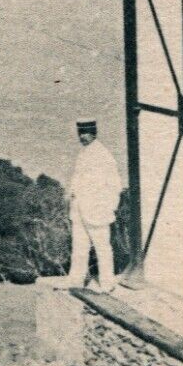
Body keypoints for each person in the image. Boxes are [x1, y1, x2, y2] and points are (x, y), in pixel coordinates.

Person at [66, 119, 122, 292]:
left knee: (102, 247)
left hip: (97, 210)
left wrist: (108, 207)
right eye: (80, 133)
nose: (82, 137)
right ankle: (76, 280)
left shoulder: (103, 155)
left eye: (86, 133)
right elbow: (77, 181)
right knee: (79, 247)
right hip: (79, 209)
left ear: (94, 133)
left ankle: (107, 282)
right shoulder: (83, 154)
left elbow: (115, 185)